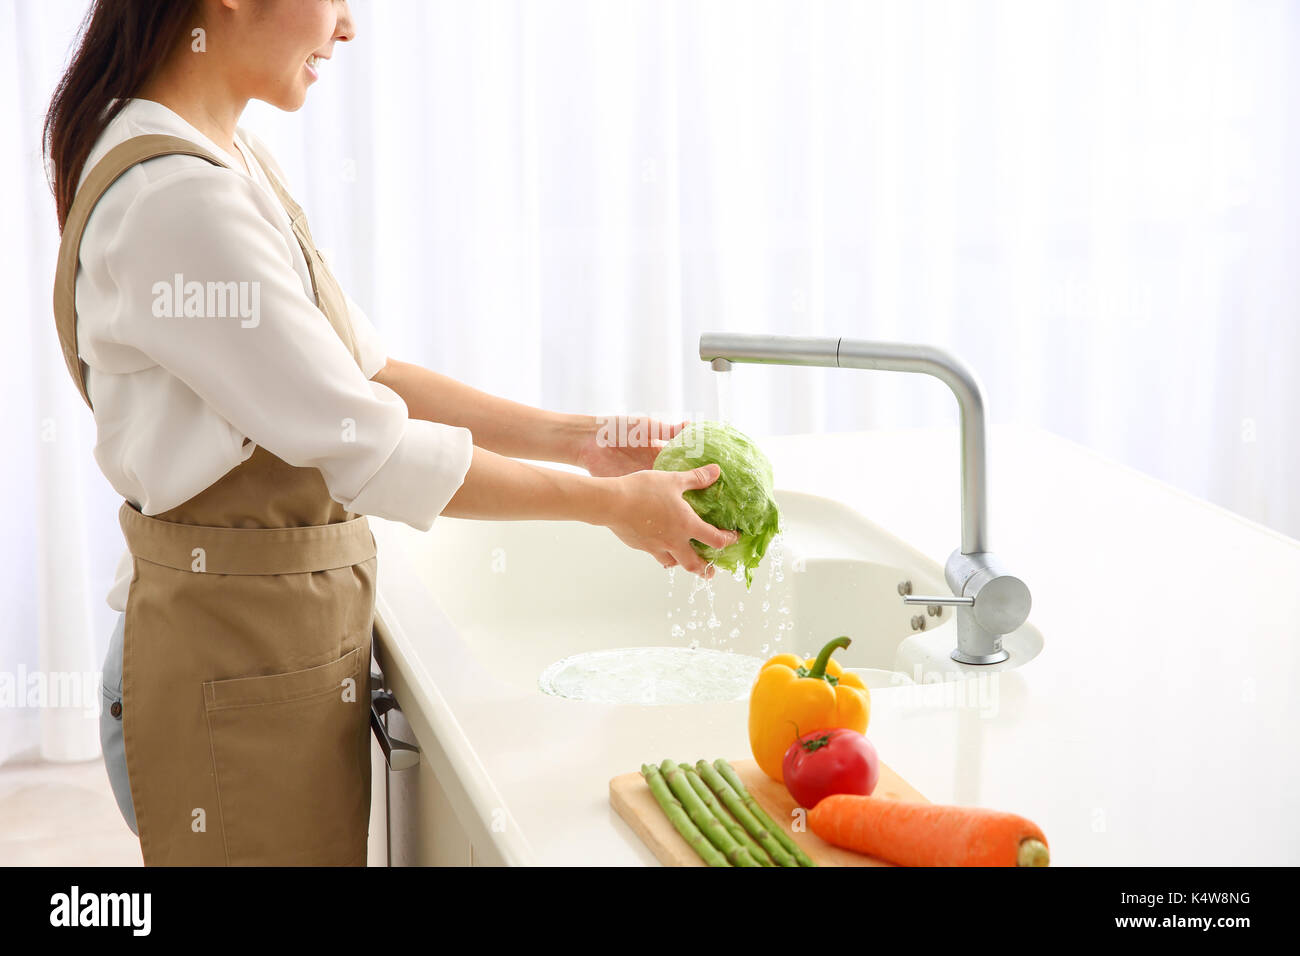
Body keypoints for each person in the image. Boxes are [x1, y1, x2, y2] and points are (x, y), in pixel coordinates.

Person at [44, 0, 737, 866]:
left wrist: (584, 438)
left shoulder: (218, 158)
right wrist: (609, 507)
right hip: (229, 672)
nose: (347, 27)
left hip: (260, 653)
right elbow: (370, 448)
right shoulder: (175, 200)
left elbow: (361, 374)